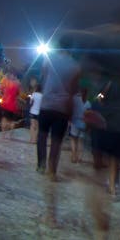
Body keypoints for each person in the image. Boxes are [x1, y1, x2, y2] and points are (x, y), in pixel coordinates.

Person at [36, 38, 81, 179]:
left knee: (42, 135)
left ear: (59, 46)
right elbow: (73, 90)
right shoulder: (75, 66)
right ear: (72, 48)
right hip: (62, 107)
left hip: (46, 104)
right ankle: (52, 170)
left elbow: (43, 77)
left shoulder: (49, 60)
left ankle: (41, 164)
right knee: (56, 140)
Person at [70, 88, 90, 163]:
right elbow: (88, 115)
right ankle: (79, 158)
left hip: (75, 122)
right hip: (83, 123)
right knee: (80, 141)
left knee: (73, 139)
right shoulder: (88, 103)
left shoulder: (76, 101)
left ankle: (73, 156)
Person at [0, 71, 21, 139]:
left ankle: (3, 135)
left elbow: (1, 90)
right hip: (13, 105)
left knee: (4, 119)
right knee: (12, 121)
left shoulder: (5, 81)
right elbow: (18, 94)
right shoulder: (17, 83)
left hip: (5, 103)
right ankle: (10, 136)